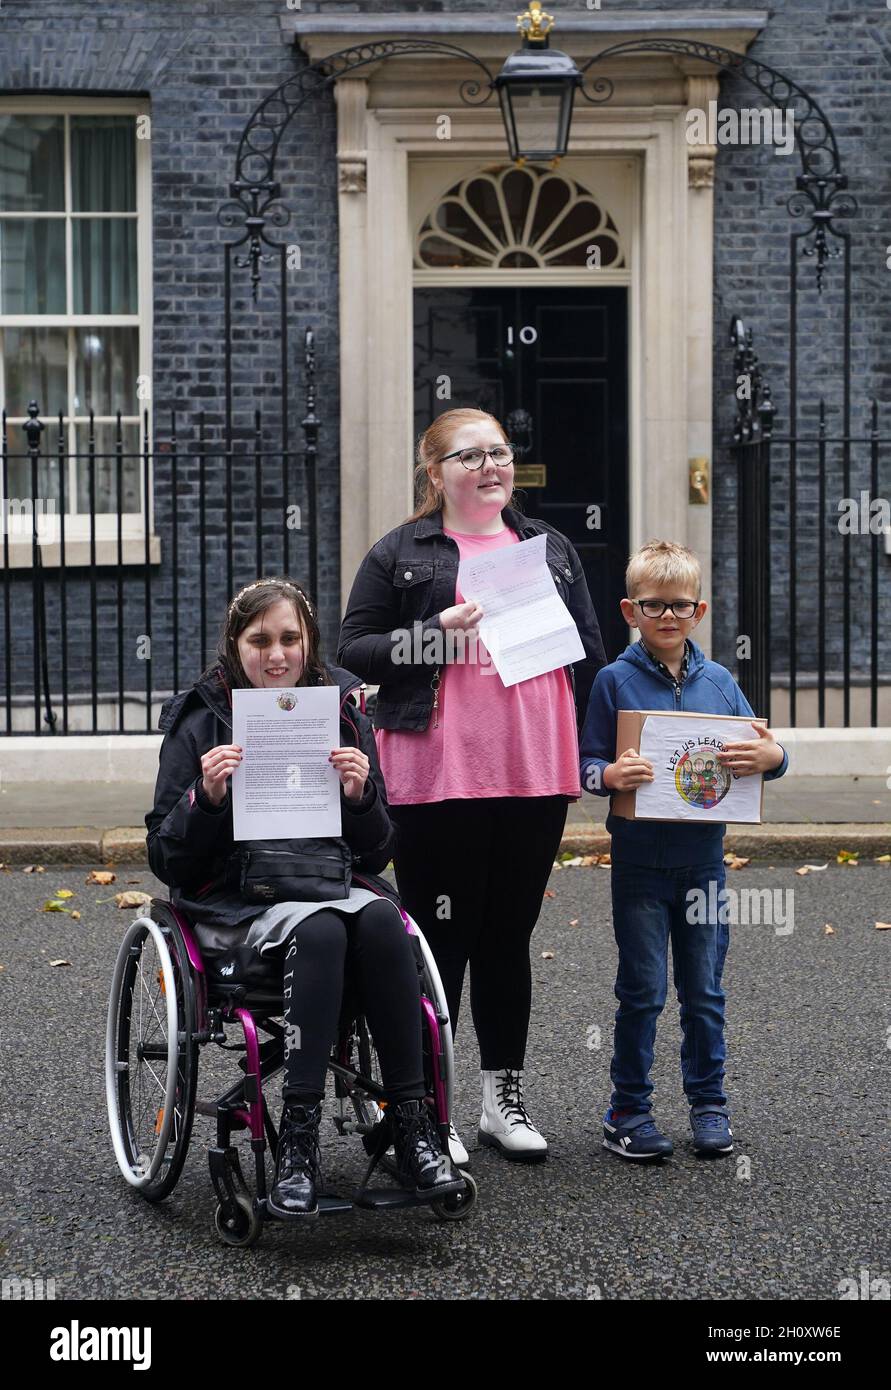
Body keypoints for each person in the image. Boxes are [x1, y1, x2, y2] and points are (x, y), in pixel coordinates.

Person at [337, 407, 607, 1164]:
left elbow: (588, 649)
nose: (489, 466)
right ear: (435, 472)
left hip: (531, 764)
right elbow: (353, 648)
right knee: (438, 939)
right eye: (469, 456)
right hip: (436, 767)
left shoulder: (546, 548)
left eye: (498, 452)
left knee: (507, 935)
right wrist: (434, 635)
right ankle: (432, 1108)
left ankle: (501, 1099)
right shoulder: (402, 551)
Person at [145, 576, 462, 1218]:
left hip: (327, 879)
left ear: (309, 642)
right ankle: (298, 1143)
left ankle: (414, 1125)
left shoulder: (340, 708)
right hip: (237, 899)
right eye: (259, 640)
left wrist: (359, 796)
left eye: (290, 638)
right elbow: (167, 858)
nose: (276, 655)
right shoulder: (200, 716)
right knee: (320, 930)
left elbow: (375, 854)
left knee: (383, 920)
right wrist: (203, 800)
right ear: (235, 646)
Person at [578, 540, 789, 1160]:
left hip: (703, 864)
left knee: (704, 991)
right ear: (629, 610)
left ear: (698, 611)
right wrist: (610, 777)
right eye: (653, 606)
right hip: (639, 864)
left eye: (679, 606)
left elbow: (763, 754)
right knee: (642, 991)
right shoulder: (612, 682)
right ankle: (629, 1112)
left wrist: (774, 757)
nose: (667, 617)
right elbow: (586, 762)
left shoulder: (721, 683)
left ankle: (709, 1106)